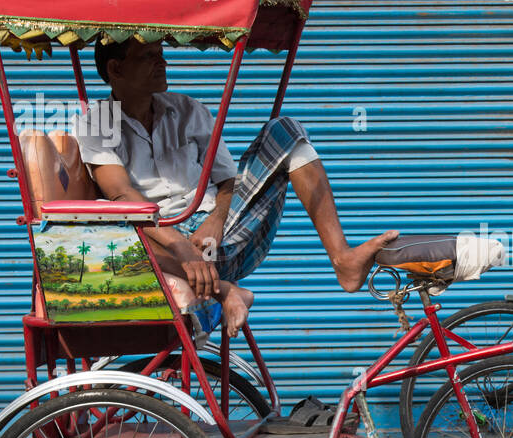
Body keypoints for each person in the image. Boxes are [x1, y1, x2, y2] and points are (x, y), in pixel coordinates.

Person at [74, 38, 397, 334]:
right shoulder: (95, 122)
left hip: (220, 234)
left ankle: (343, 259)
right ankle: (224, 289)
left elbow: (227, 180)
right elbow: (121, 194)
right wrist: (181, 246)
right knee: (116, 217)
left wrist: (215, 220)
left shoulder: (189, 110)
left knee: (286, 130)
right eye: (149, 57)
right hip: (159, 243)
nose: (163, 64)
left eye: (162, 55)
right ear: (116, 69)